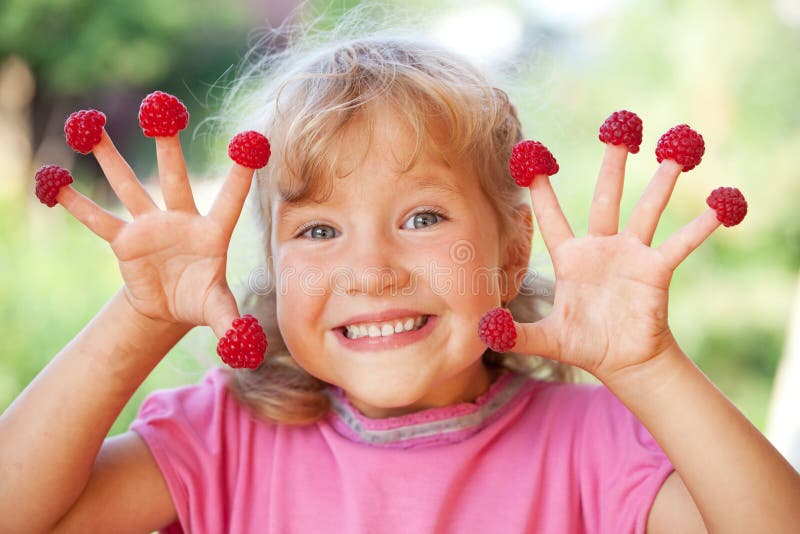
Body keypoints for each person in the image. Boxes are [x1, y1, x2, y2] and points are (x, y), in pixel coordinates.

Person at [2, 15, 799, 534]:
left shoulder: (596, 445)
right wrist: (138, 322)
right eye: (318, 229)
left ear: (514, 251)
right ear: (274, 274)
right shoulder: (222, 441)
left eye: (422, 219)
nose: (371, 271)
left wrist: (650, 367)